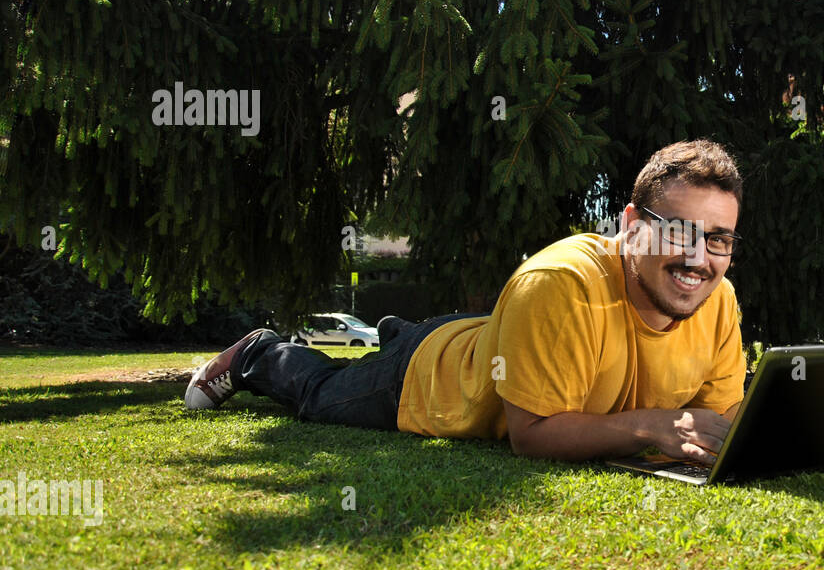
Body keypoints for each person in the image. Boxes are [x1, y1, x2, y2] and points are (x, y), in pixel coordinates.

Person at [185, 139, 745, 465]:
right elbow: (532, 435)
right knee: (320, 395)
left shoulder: (719, 303)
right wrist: (649, 426)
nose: (699, 257)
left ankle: (398, 330)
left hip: (496, 338)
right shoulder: (560, 283)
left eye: (717, 238)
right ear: (629, 225)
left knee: (451, 336)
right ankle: (259, 353)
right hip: (433, 377)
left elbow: (717, 418)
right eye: (677, 230)